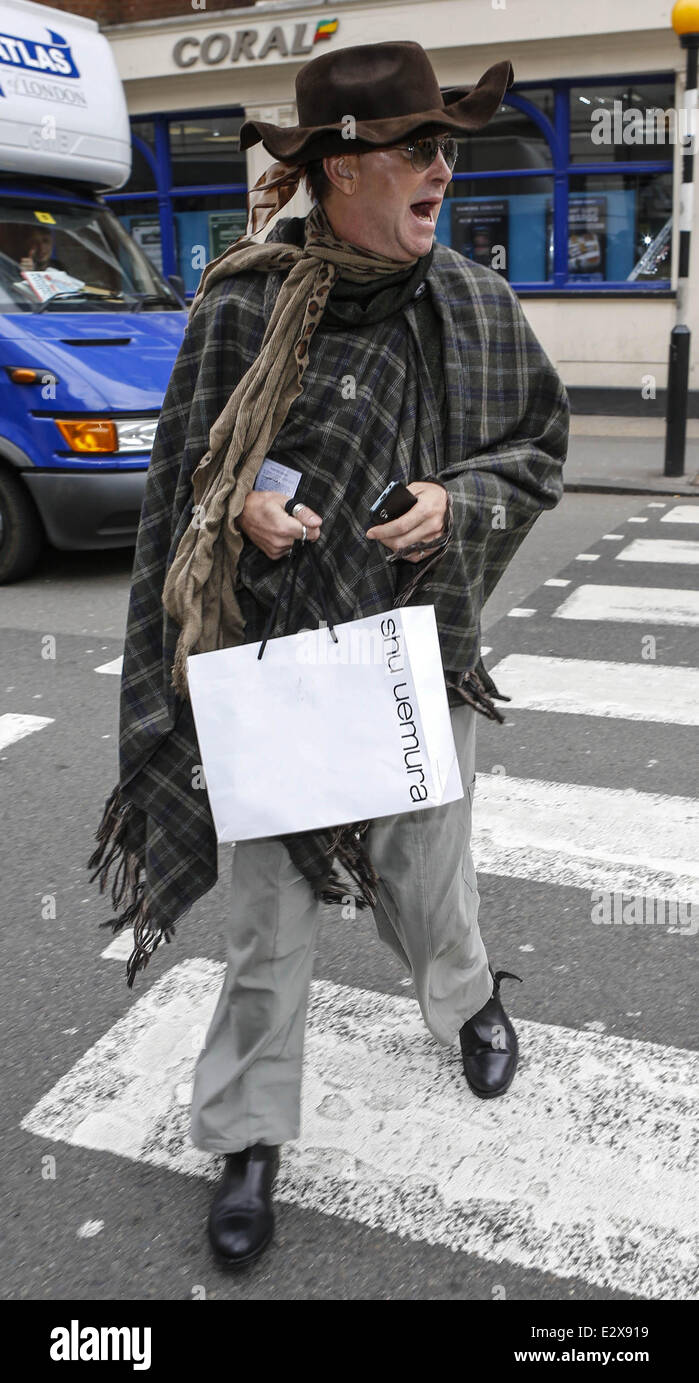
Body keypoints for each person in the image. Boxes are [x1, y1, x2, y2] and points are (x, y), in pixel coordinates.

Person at [88, 41, 569, 1271]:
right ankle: (248, 1135)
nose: (443, 172)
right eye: (420, 149)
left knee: (426, 879)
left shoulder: (471, 301)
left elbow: (539, 451)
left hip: (417, 660)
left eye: (448, 149)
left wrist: (459, 503)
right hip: (273, 668)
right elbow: (187, 475)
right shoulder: (244, 301)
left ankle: (467, 1000)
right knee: (268, 916)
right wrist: (237, 501)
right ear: (343, 167)